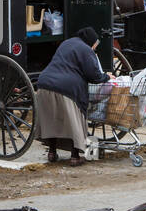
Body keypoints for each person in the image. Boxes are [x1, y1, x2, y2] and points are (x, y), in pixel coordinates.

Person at [34, 26, 107, 166]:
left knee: (52, 120)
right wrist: (106, 77)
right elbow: (94, 76)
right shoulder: (86, 49)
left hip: (43, 84)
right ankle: (75, 157)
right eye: (94, 46)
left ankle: (52, 152)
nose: (94, 48)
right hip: (66, 88)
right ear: (91, 41)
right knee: (76, 119)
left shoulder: (67, 43)